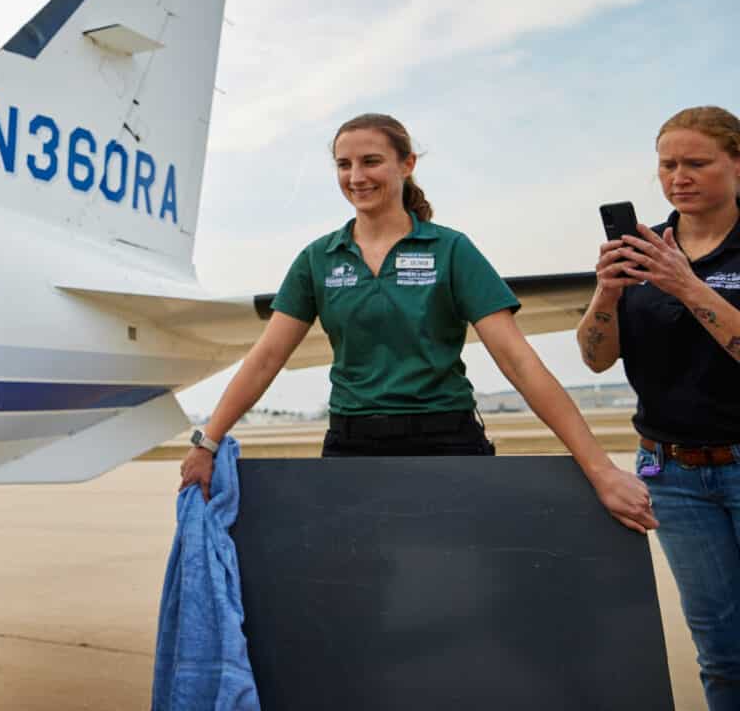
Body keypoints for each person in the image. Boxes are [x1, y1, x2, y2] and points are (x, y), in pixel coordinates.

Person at [179, 112, 656, 536]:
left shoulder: (450, 250)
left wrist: (600, 469)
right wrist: (208, 442)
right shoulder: (317, 259)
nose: (356, 176)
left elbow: (519, 362)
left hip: (445, 439)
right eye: (344, 165)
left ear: (406, 165)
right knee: (361, 594)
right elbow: (264, 360)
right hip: (352, 443)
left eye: (371, 161)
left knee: (458, 588)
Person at [577, 105, 740, 709]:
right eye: (668, 165)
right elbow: (596, 360)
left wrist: (688, 286)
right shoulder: (645, 249)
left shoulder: (682, 265)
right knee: (721, 654)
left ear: (737, 163)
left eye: (697, 163)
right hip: (671, 475)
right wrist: (608, 291)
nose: (679, 177)